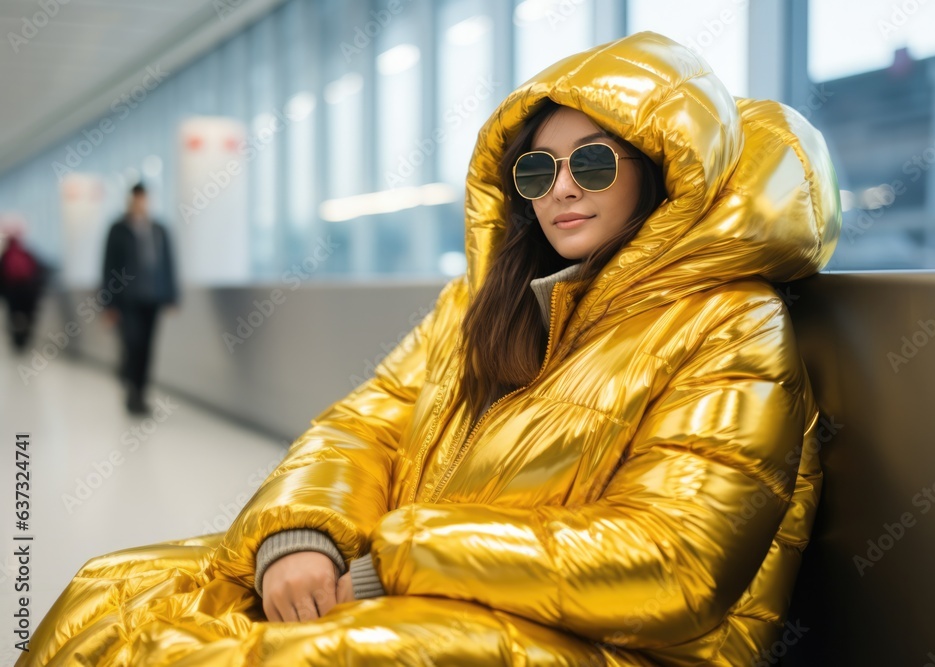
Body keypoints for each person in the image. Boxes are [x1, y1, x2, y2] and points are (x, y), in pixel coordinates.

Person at [17, 31, 840, 666]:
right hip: (452, 590)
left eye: (592, 163)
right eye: (536, 170)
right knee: (112, 591)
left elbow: (674, 564)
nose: (560, 188)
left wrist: (392, 562)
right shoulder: (481, 303)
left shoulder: (731, 324)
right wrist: (298, 537)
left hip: (623, 641)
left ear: (661, 174)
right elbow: (363, 426)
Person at [100, 182, 179, 414]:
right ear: (130, 199)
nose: (141, 202)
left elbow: (168, 264)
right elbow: (108, 266)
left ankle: (140, 393)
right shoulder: (118, 228)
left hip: (152, 298)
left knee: (147, 347)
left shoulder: (159, 229)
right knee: (132, 343)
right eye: (137, 198)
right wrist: (109, 303)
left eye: (144, 198)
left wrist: (172, 296)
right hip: (127, 299)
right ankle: (130, 387)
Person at [0, 220, 49, 353]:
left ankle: (17, 342)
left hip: (13, 293)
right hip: (28, 292)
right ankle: (25, 341)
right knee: (28, 318)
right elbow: (40, 271)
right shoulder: (27, 253)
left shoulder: (6, 255)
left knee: (13, 318)